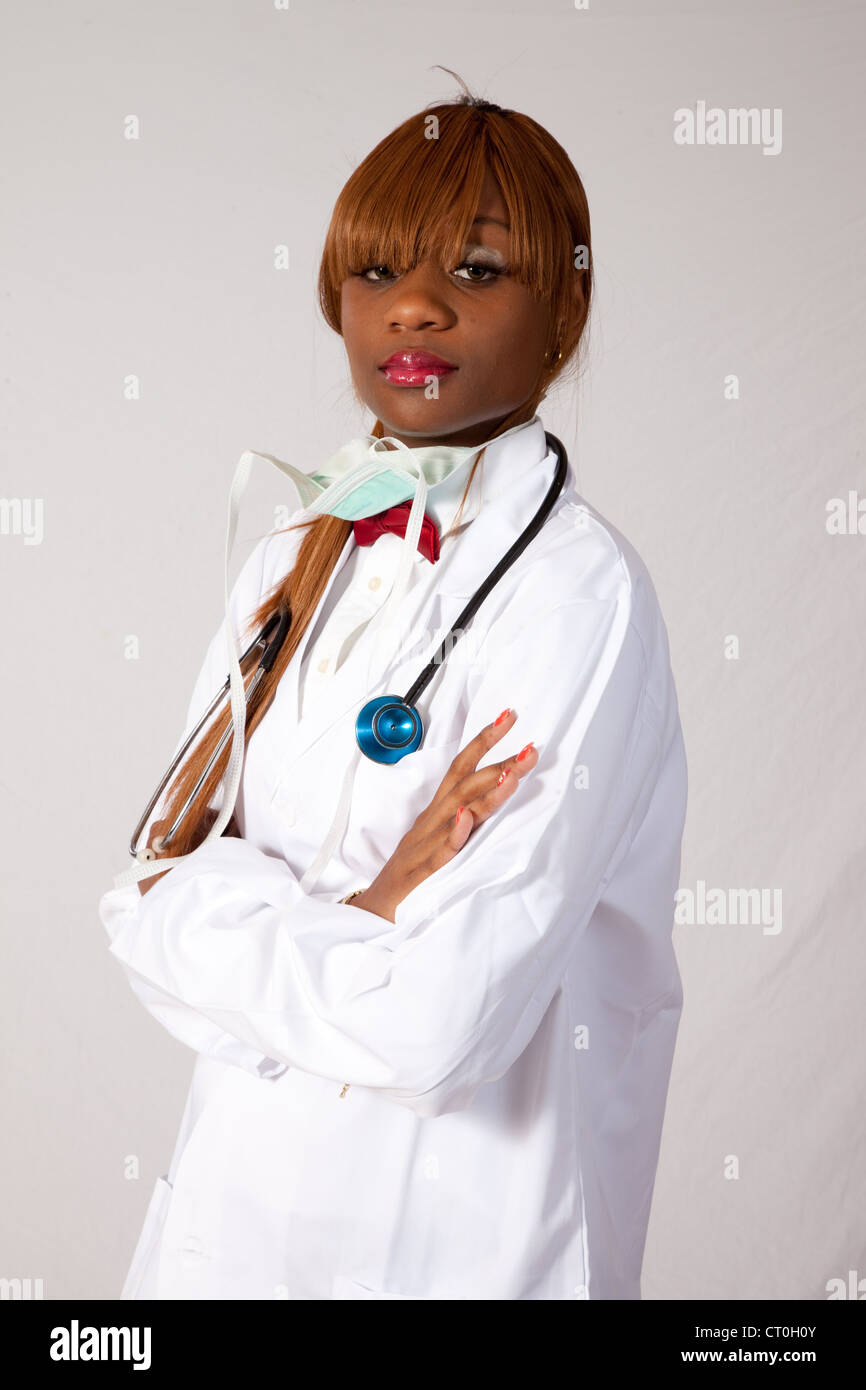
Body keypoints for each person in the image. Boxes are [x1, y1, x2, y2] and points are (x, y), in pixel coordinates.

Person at [98, 81, 688, 1301]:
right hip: (231, 1227)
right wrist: (372, 907)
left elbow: (440, 1026)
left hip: (456, 1247)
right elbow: (140, 903)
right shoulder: (288, 561)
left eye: (475, 270)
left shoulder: (577, 595)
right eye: (373, 272)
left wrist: (244, 929)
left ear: (562, 312)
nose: (411, 305)